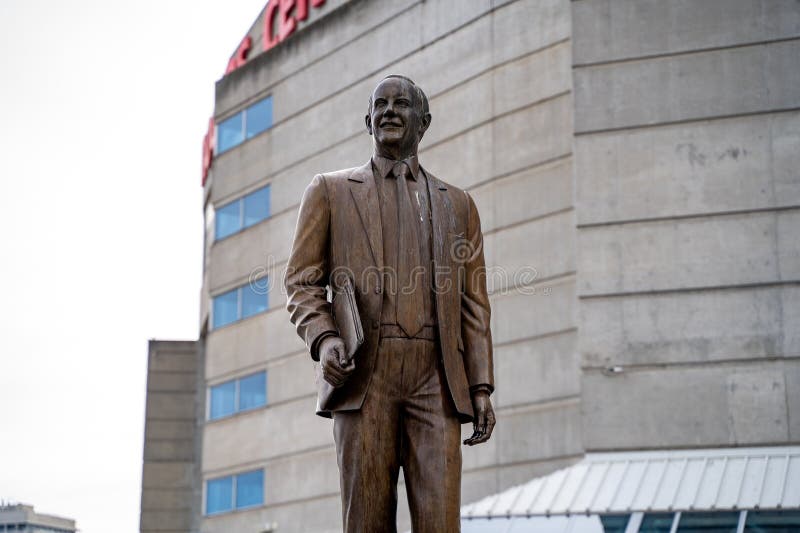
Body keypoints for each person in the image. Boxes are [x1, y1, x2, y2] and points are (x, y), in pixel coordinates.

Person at [285, 75, 495, 532]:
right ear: (367, 120)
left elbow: (474, 305)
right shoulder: (330, 191)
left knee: (441, 522)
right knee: (366, 523)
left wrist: (480, 387)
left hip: (436, 381)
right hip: (364, 378)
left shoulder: (459, 205)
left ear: (424, 122)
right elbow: (301, 282)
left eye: (402, 104)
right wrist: (324, 341)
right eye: (380, 105)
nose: (390, 111)